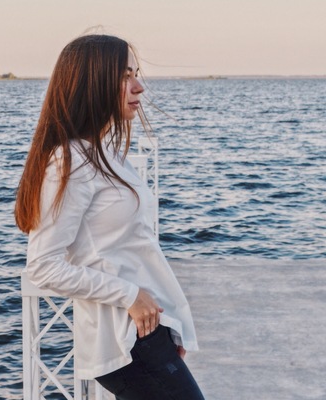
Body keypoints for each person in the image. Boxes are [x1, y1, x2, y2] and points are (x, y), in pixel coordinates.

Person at [15, 34, 205, 400]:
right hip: (125, 340)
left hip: (145, 332)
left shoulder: (105, 154)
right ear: (93, 84)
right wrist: (131, 296)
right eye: (124, 77)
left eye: (135, 74)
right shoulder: (70, 162)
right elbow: (43, 266)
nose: (138, 87)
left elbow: (134, 250)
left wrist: (169, 324)